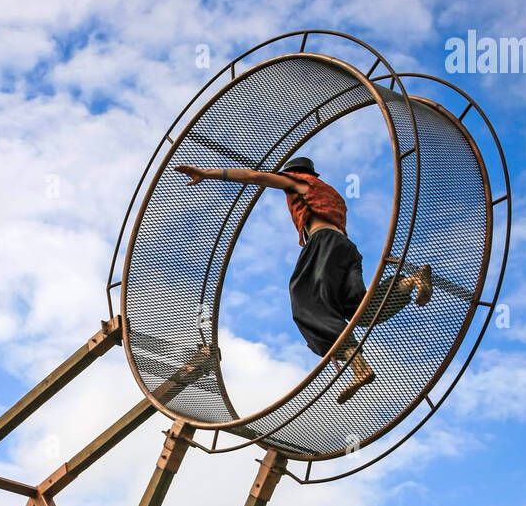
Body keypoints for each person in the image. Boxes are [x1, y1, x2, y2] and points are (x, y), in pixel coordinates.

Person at [174, 156, 433, 401]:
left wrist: (207, 173)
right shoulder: (333, 194)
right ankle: (410, 280)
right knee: (360, 310)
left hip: (324, 243)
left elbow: (255, 177)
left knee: (306, 300)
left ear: (294, 173)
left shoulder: (299, 182)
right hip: (346, 249)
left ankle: (359, 367)